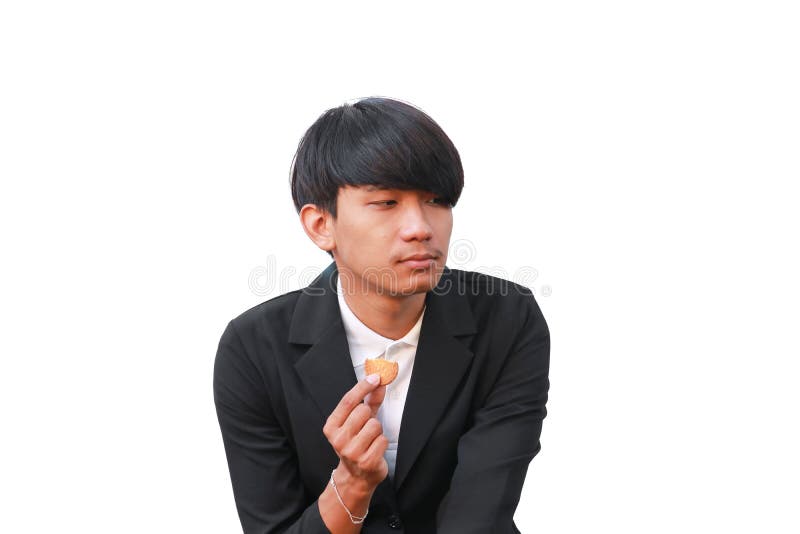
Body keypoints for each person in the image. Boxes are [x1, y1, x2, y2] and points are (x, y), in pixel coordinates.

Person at [213, 96, 550, 533]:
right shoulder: (253, 349)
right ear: (321, 225)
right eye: (387, 202)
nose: (420, 228)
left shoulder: (507, 319)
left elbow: (480, 513)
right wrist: (351, 485)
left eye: (437, 200)